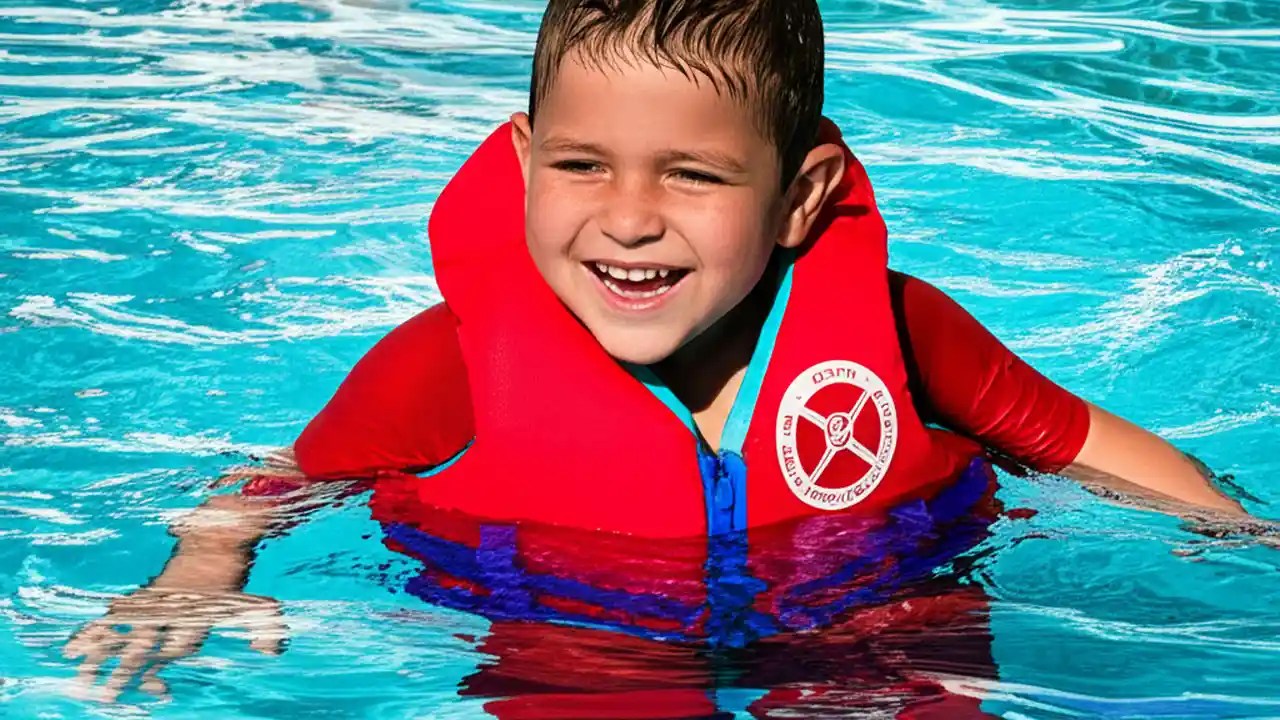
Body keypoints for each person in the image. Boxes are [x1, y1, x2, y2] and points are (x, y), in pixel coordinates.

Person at [67, 0, 1250, 711]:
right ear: (525, 160)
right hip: (574, 648)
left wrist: (1241, 538)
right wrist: (195, 574)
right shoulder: (453, 362)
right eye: (582, 166)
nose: (628, 218)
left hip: (879, 626)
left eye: (691, 175)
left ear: (802, 197)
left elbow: (1087, 443)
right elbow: (280, 482)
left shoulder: (895, 327)